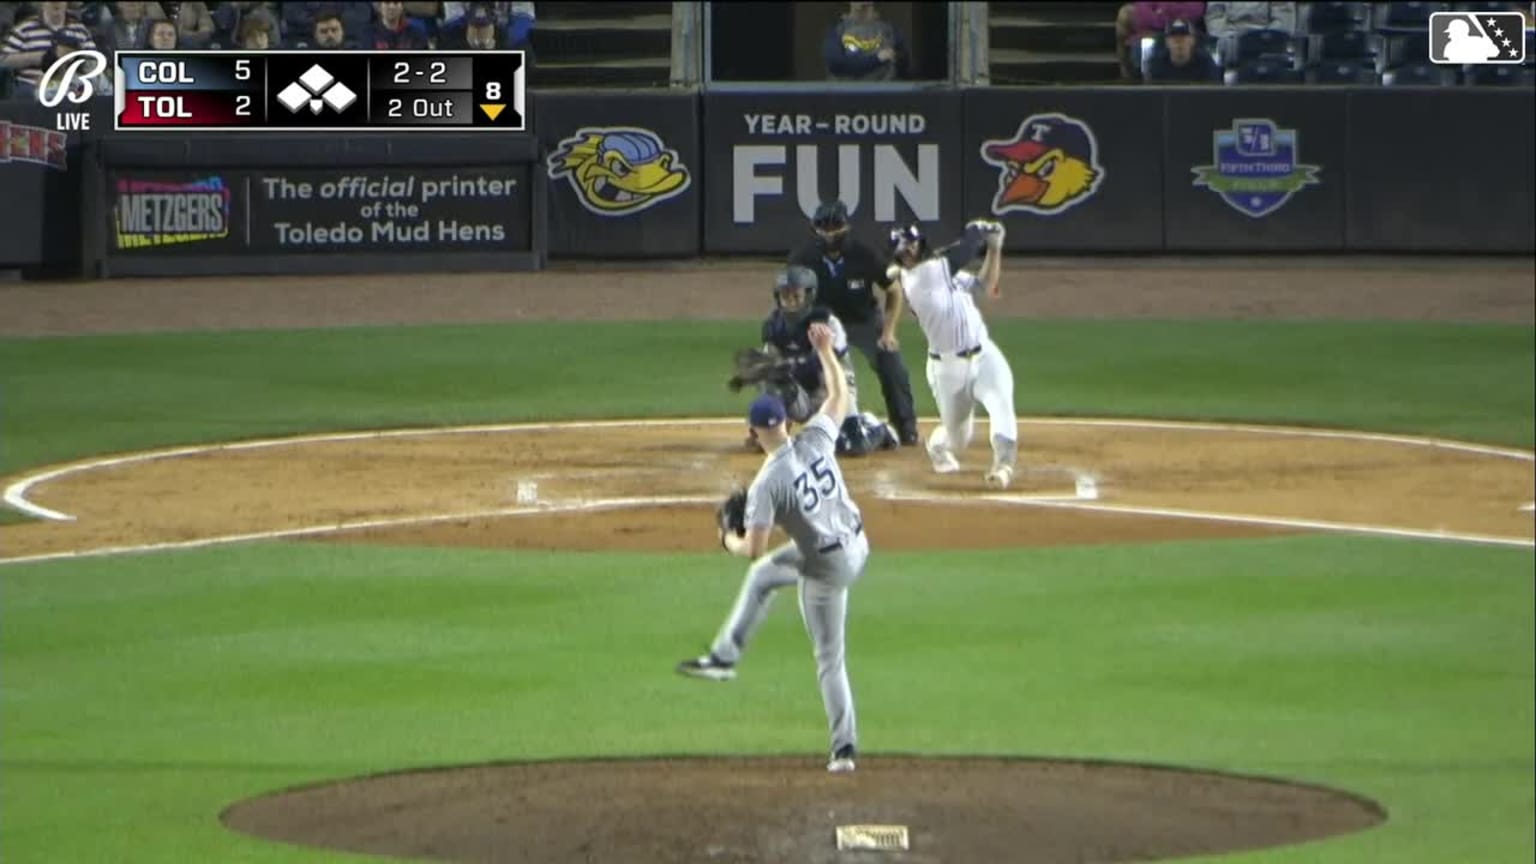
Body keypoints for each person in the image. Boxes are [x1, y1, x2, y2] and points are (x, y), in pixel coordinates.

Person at [679, 321, 870, 775]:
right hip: (858, 544)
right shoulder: (816, 438)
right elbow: (839, 396)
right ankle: (724, 657)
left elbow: (753, 547)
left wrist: (726, 538)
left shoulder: (767, 484)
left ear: (752, 431)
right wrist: (826, 351)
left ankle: (844, 749)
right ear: (786, 422)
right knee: (764, 575)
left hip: (827, 569)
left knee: (829, 659)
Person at [886, 220, 1019, 489]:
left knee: (1001, 402)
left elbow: (983, 286)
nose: (909, 251)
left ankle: (1003, 465)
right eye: (904, 249)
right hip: (947, 369)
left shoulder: (940, 270)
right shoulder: (921, 277)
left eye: (912, 245)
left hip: (984, 354)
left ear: (920, 245)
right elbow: (964, 250)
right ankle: (937, 446)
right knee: (957, 438)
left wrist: (994, 250)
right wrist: (977, 231)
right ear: (898, 256)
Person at [789, 200, 921, 447]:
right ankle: (779, 425)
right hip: (823, 323)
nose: (829, 234)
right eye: (823, 227)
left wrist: (889, 332)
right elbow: (793, 299)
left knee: (891, 361)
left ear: (846, 227)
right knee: (793, 364)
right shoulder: (803, 258)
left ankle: (906, 427)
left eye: (834, 227)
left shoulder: (864, 254)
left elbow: (894, 290)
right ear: (814, 229)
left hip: (863, 320)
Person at [745, 265, 899, 457]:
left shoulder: (828, 323)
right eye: (785, 297)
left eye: (796, 296)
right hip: (801, 392)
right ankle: (778, 426)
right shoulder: (773, 327)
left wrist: (786, 367)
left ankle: (877, 428)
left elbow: (822, 365)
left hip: (834, 390)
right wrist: (771, 422)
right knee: (769, 376)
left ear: (809, 296)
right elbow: (774, 374)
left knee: (853, 446)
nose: (790, 303)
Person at [0, 2, 100, 102]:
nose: (56, 3)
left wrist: (74, 59)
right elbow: (2, 60)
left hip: (72, 86)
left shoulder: (79, 29)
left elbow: (94, 62)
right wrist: (42, 57)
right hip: (32, 86)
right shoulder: (24, 28)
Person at [823, 0, 905, 81]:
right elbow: (836, 64)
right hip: (848, 88)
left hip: (882, 88)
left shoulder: (889, 31)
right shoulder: (837, 30)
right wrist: (877, 59)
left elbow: (904, 67)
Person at [1145, 18, 1220, 82]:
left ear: (1193, 40)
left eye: (1183, 35)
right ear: (1166, 42)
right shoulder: (1156, 64)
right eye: (1173, 36)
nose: (1178, 41)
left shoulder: (1205, 63)